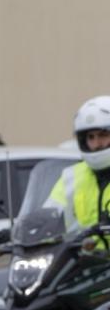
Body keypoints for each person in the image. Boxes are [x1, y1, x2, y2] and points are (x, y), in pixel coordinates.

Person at [45, 96, 110, 231]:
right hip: (81, 251)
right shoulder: (72, 176)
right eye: (90, 137)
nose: (96, 144)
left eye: (103, 135)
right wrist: (28, 231)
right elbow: (51, 212)